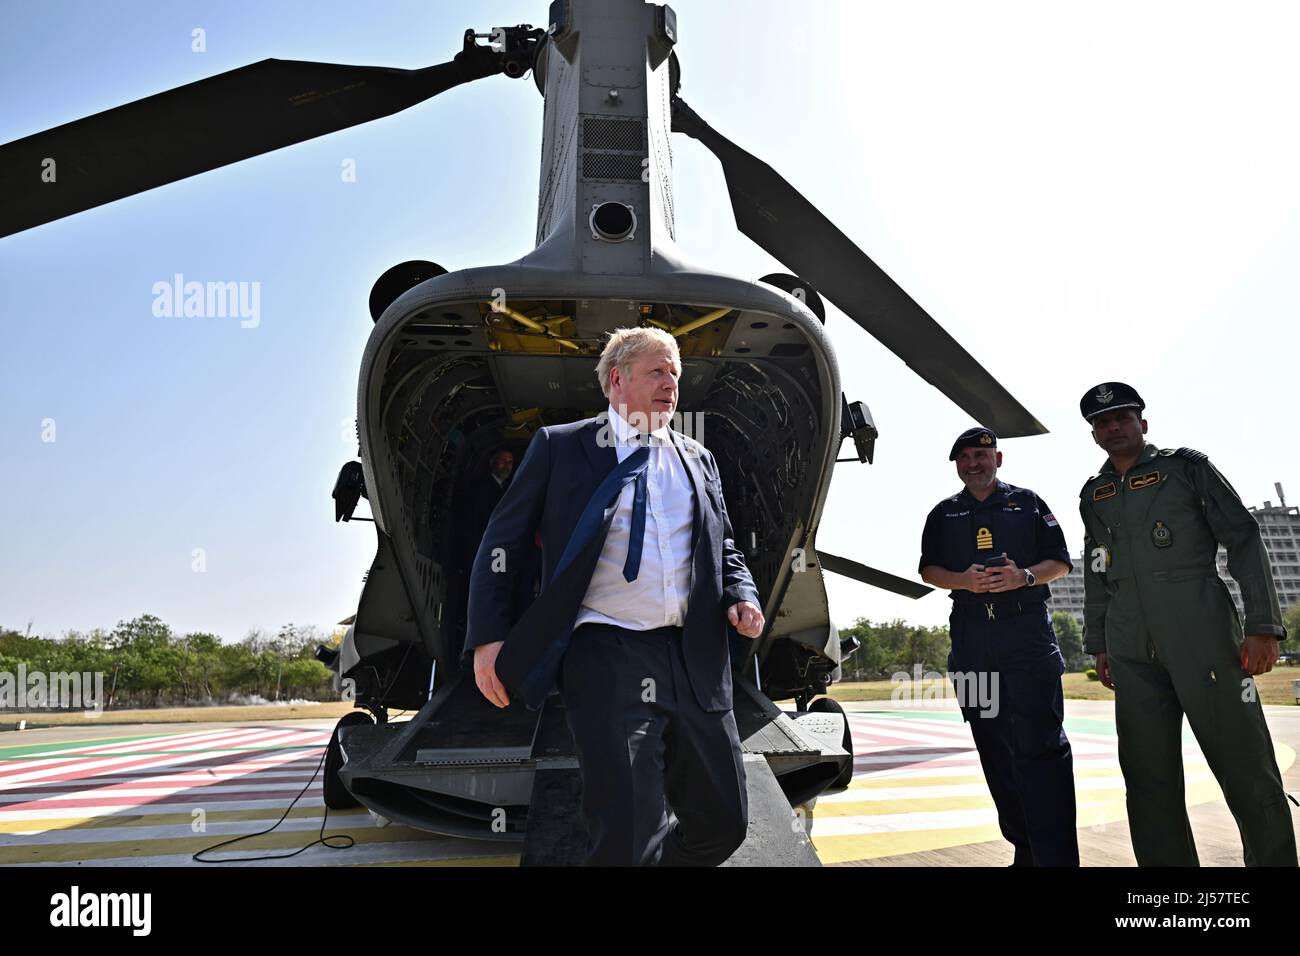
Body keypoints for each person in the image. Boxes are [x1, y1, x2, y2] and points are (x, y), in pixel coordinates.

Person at [465, 326, 765, 866]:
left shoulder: (698, 459)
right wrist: (487, 637)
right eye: (657, 371)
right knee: (625, 827)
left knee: (725, 822)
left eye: (675, 372)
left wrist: (741, 594)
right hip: (607, 652)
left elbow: (725, 547)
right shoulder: (561, 447)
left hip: (695, 653)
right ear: (617, 380)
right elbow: (500, 543)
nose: (671, 382)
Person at [1077, 382, 1297, 866]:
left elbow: (1242, 536)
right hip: (1130, 648)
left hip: (1204, 637)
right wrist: (1100, 644)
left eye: (1122, 418)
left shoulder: (1186, 470)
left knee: (1247, 767)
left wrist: (1263, 625)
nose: (1113, 428)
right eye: (1102, 423)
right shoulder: (1094, 495)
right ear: (1094, 434)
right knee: (1147, 778)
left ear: (1143, 423)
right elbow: (1097, 569)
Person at [919, 426, 1078, 866]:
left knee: (1042, 748)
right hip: (971, 644)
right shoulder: (942, 513)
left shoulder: (1029, 504)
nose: (974, 463)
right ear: (957, 465)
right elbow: (928, 569)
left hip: (1026, 638)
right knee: (993, 749)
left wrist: (1023, 576)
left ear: (998, 460)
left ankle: (1056, 860)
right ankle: (1025, 853)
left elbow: (1060, 562)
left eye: (982, 455)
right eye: (965, 457)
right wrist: (963, 581)